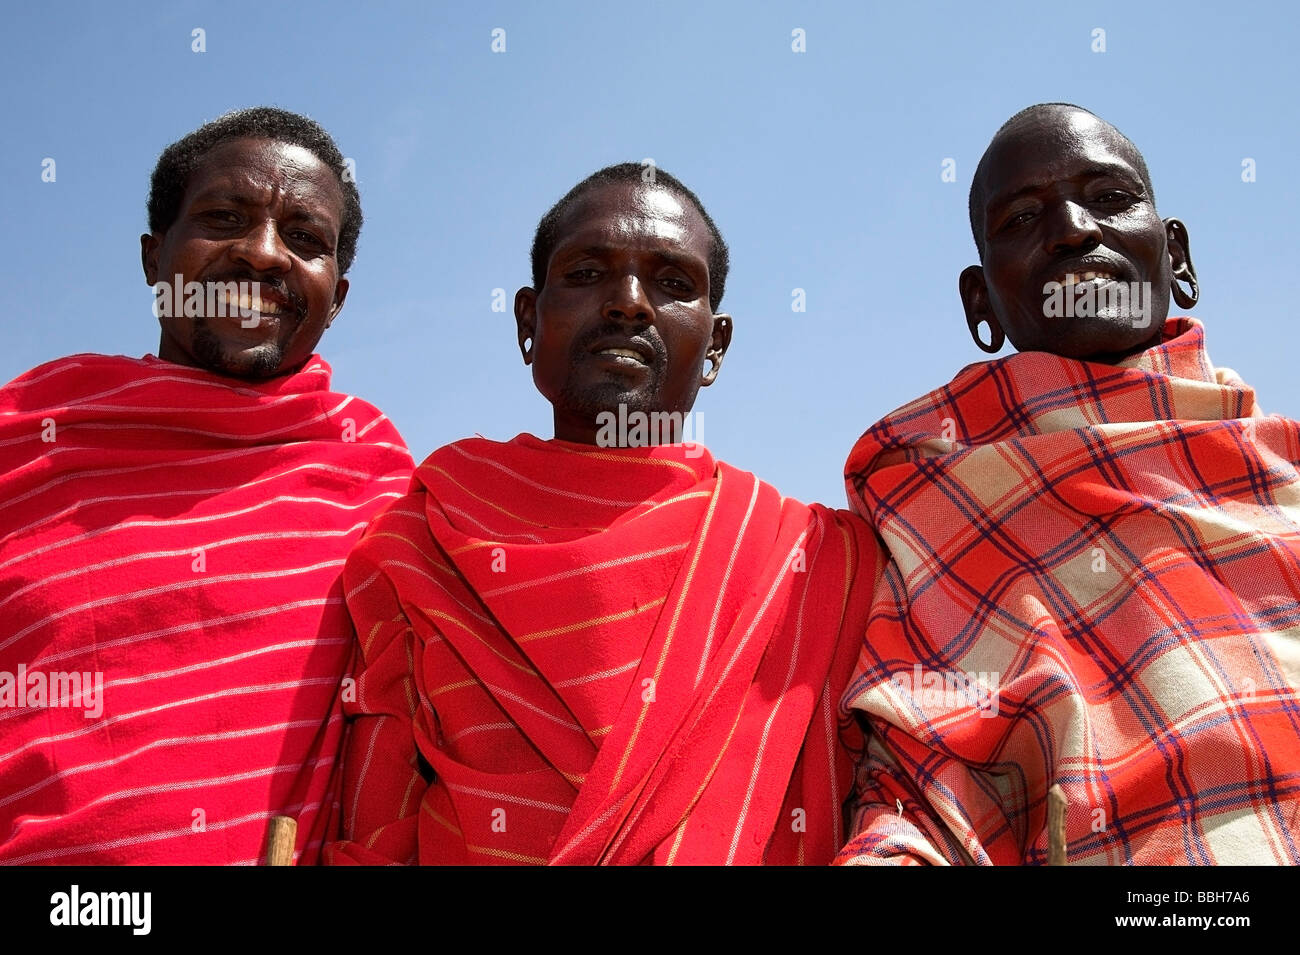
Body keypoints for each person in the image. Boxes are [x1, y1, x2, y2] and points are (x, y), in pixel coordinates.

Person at [326, 163, 876, 865]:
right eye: (587, 274)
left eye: (674, 283)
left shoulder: (815, 558)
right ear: (529, 321)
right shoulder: (425, 532)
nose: (628, 303)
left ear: (716, 347)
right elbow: (374, 827)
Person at [836, 103, 1300, 865]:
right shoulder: (933, 503)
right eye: (1022, 218)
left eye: (1110, 197)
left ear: (1176, 256)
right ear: (979, 303)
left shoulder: (1285, 471)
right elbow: (916, 796)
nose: (1075, 229)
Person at [0, 107, 413, 865]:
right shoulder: (25, 439)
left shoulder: (376, 475)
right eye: (224, 218)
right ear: (154, 257)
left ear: (337, 293)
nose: (262, 254)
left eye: (305, 238)